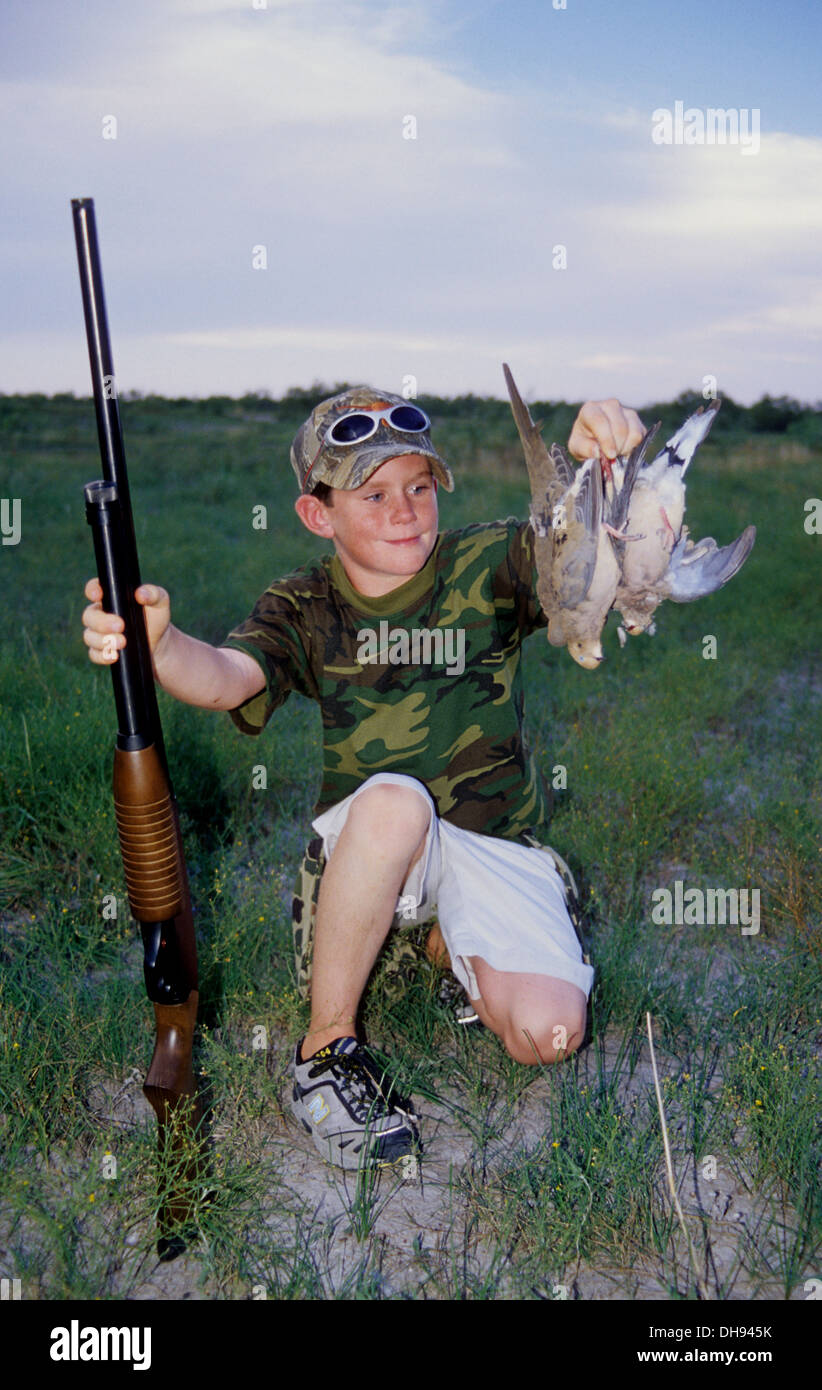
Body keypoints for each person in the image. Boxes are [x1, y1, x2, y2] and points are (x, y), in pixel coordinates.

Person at [82, 384, 644, 1172]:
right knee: (392, 801)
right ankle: (325, 1053)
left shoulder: (490, 562)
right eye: (373, 493)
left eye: (419, 486)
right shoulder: (306, 603)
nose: (404, 509)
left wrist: (598, 463)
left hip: (492, 841)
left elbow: (577, 547)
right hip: (378, 845)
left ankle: (450, 943)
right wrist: (160, 643)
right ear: (320, 515)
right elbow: (228, 677)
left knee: (551, 1036)